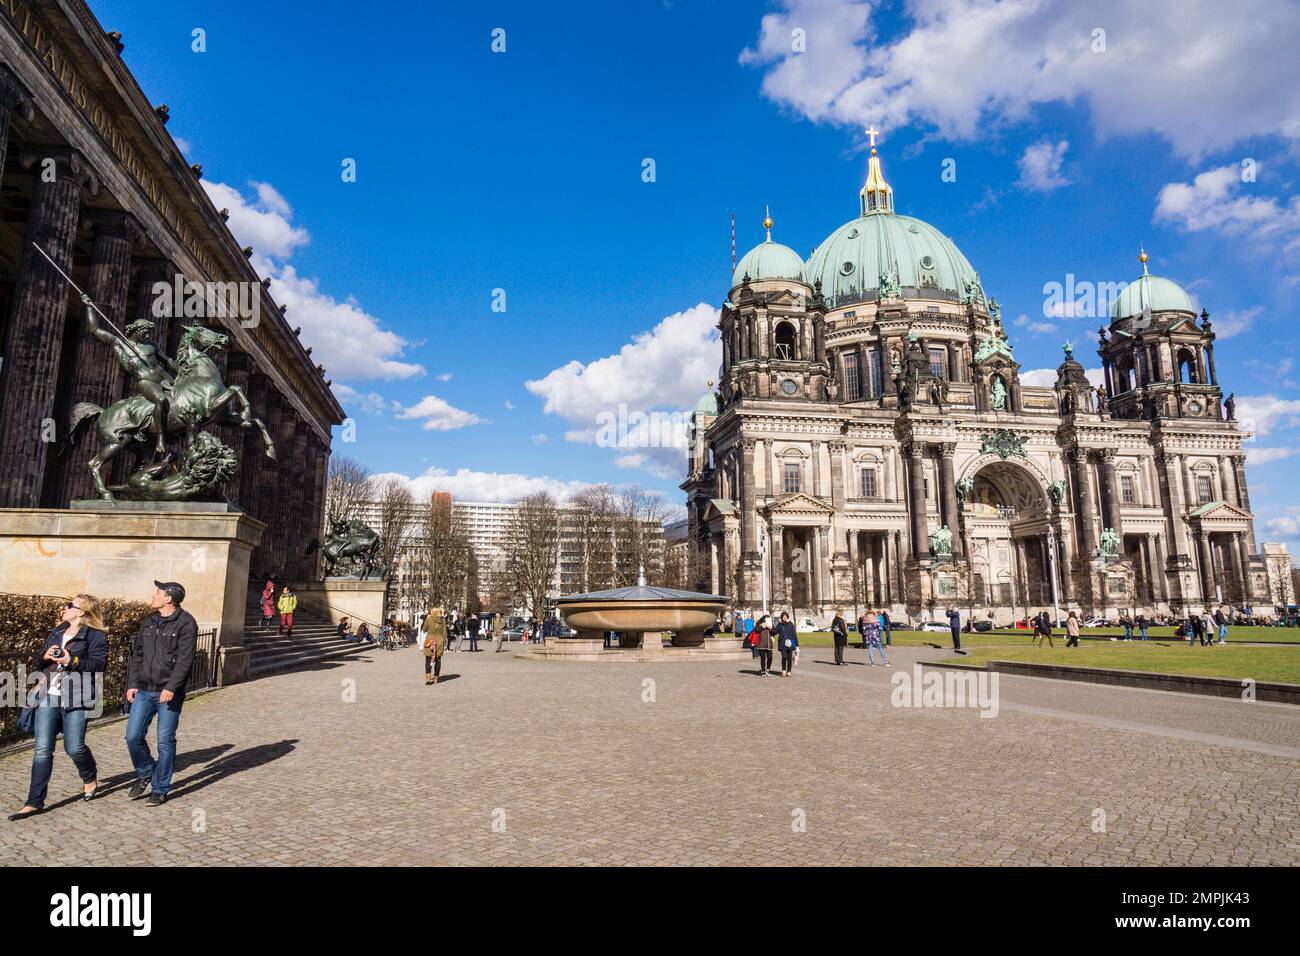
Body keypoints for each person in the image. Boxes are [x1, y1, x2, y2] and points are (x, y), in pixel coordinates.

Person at [8, 595, 107, 821]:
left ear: (82, 611)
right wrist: (44, 657)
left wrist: (70, 660)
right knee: (42, 749)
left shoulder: (95, 635)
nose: (65, 608)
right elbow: (39, 663)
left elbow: (99, 665)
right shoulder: (58, 631)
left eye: (70, 605)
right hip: (48, 696)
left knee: (75, 747)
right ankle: (34, 802)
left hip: (77, 696)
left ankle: (89, 775)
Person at [124, 581, 197, 806]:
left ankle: (160, 788)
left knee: (165, 741)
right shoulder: (150, 620)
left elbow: (185, 660)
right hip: (145, 689)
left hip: (168, 693)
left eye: (158, 592)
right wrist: (132, 683)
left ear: (169, 598)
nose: (154, 595)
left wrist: (171, 687)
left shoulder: (186, 623)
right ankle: (145, 770)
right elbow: (138, 655)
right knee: (132, 736)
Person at [421, 606, 449, 684]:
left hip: (429, 641)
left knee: (428, 660)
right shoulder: (443, 620)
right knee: (438, 660)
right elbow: (444, 633)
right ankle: (436, 678)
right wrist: (444, 642)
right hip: (439, 641)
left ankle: (428, 678)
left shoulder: (429, 619)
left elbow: (424, 629)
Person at [775, 611, 798, 677]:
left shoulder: (791, 624)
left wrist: (796, 644)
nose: (784, 618)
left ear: (787, 617)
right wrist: (770, 629)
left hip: (790, 644)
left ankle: (789, 671)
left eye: (785, 617)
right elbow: (775, 632)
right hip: (782, 644)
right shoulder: (779, 624)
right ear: (781, 618)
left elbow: (794, 634)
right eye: (783, 617)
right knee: (784, 657)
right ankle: (783, 671)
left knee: (789, 658)